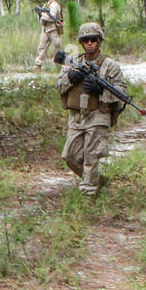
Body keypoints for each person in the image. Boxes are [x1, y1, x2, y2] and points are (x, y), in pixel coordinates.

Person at [56, 21, 127, 196]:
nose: (90, 43)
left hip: (98, 115)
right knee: (70, 157)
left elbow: (121, 93)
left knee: (91, 156)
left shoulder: (110, 66)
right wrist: (71, 78)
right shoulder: (72, 63)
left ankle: (89, 194)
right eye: (86, 39)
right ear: (81, 42)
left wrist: (101, 89)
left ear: (100, 41)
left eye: (94, 39)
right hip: (77, 116)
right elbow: (59, 86)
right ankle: (96, 180)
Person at [33, 0, 63, 69]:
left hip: (54, 29)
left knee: (57, 47)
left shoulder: (54, 5)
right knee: (41, 47)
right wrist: (40, 13)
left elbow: (51, 17)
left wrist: (42, 14)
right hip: (46, 28)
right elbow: (43, 17)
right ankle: (37, 65)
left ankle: (58, 66)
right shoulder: (46, 5)